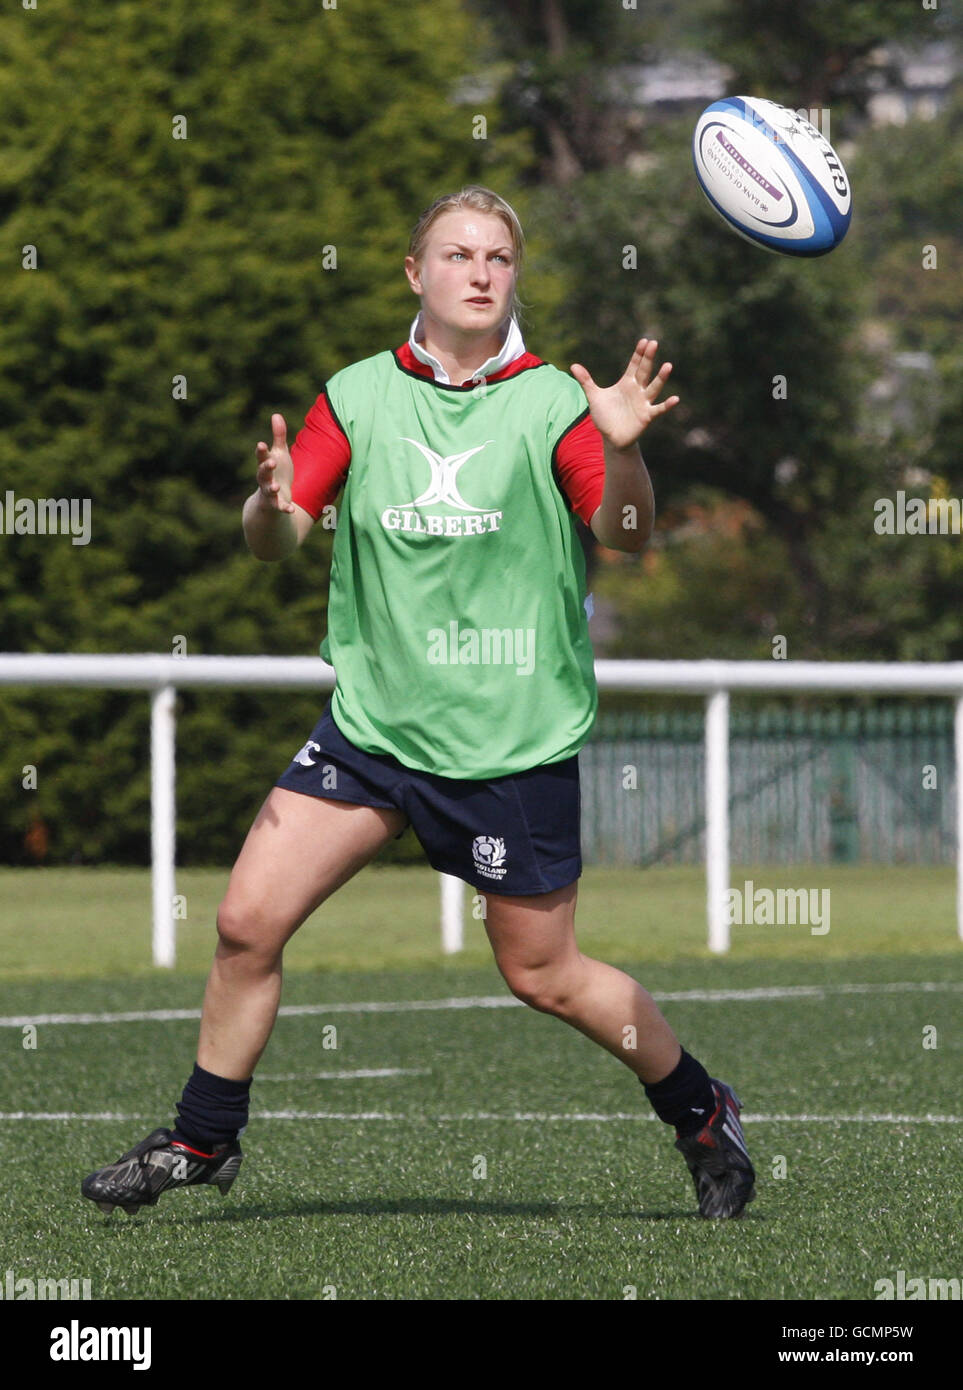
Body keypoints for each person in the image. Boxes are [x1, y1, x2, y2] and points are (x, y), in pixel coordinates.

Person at [82, 186, 754, 1221]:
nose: (480, 272)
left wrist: (622, 445)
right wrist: (267, 503)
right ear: (415, 273)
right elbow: (282, 533)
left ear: (513, 277)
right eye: (456, 254)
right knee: (244, 922)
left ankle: (701, 1108)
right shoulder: (356, 396)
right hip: (375, 731)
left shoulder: (551, 403)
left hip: (508, 742)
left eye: (498, 256)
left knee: (545, 975)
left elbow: (625, 532)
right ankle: (200, 1138)